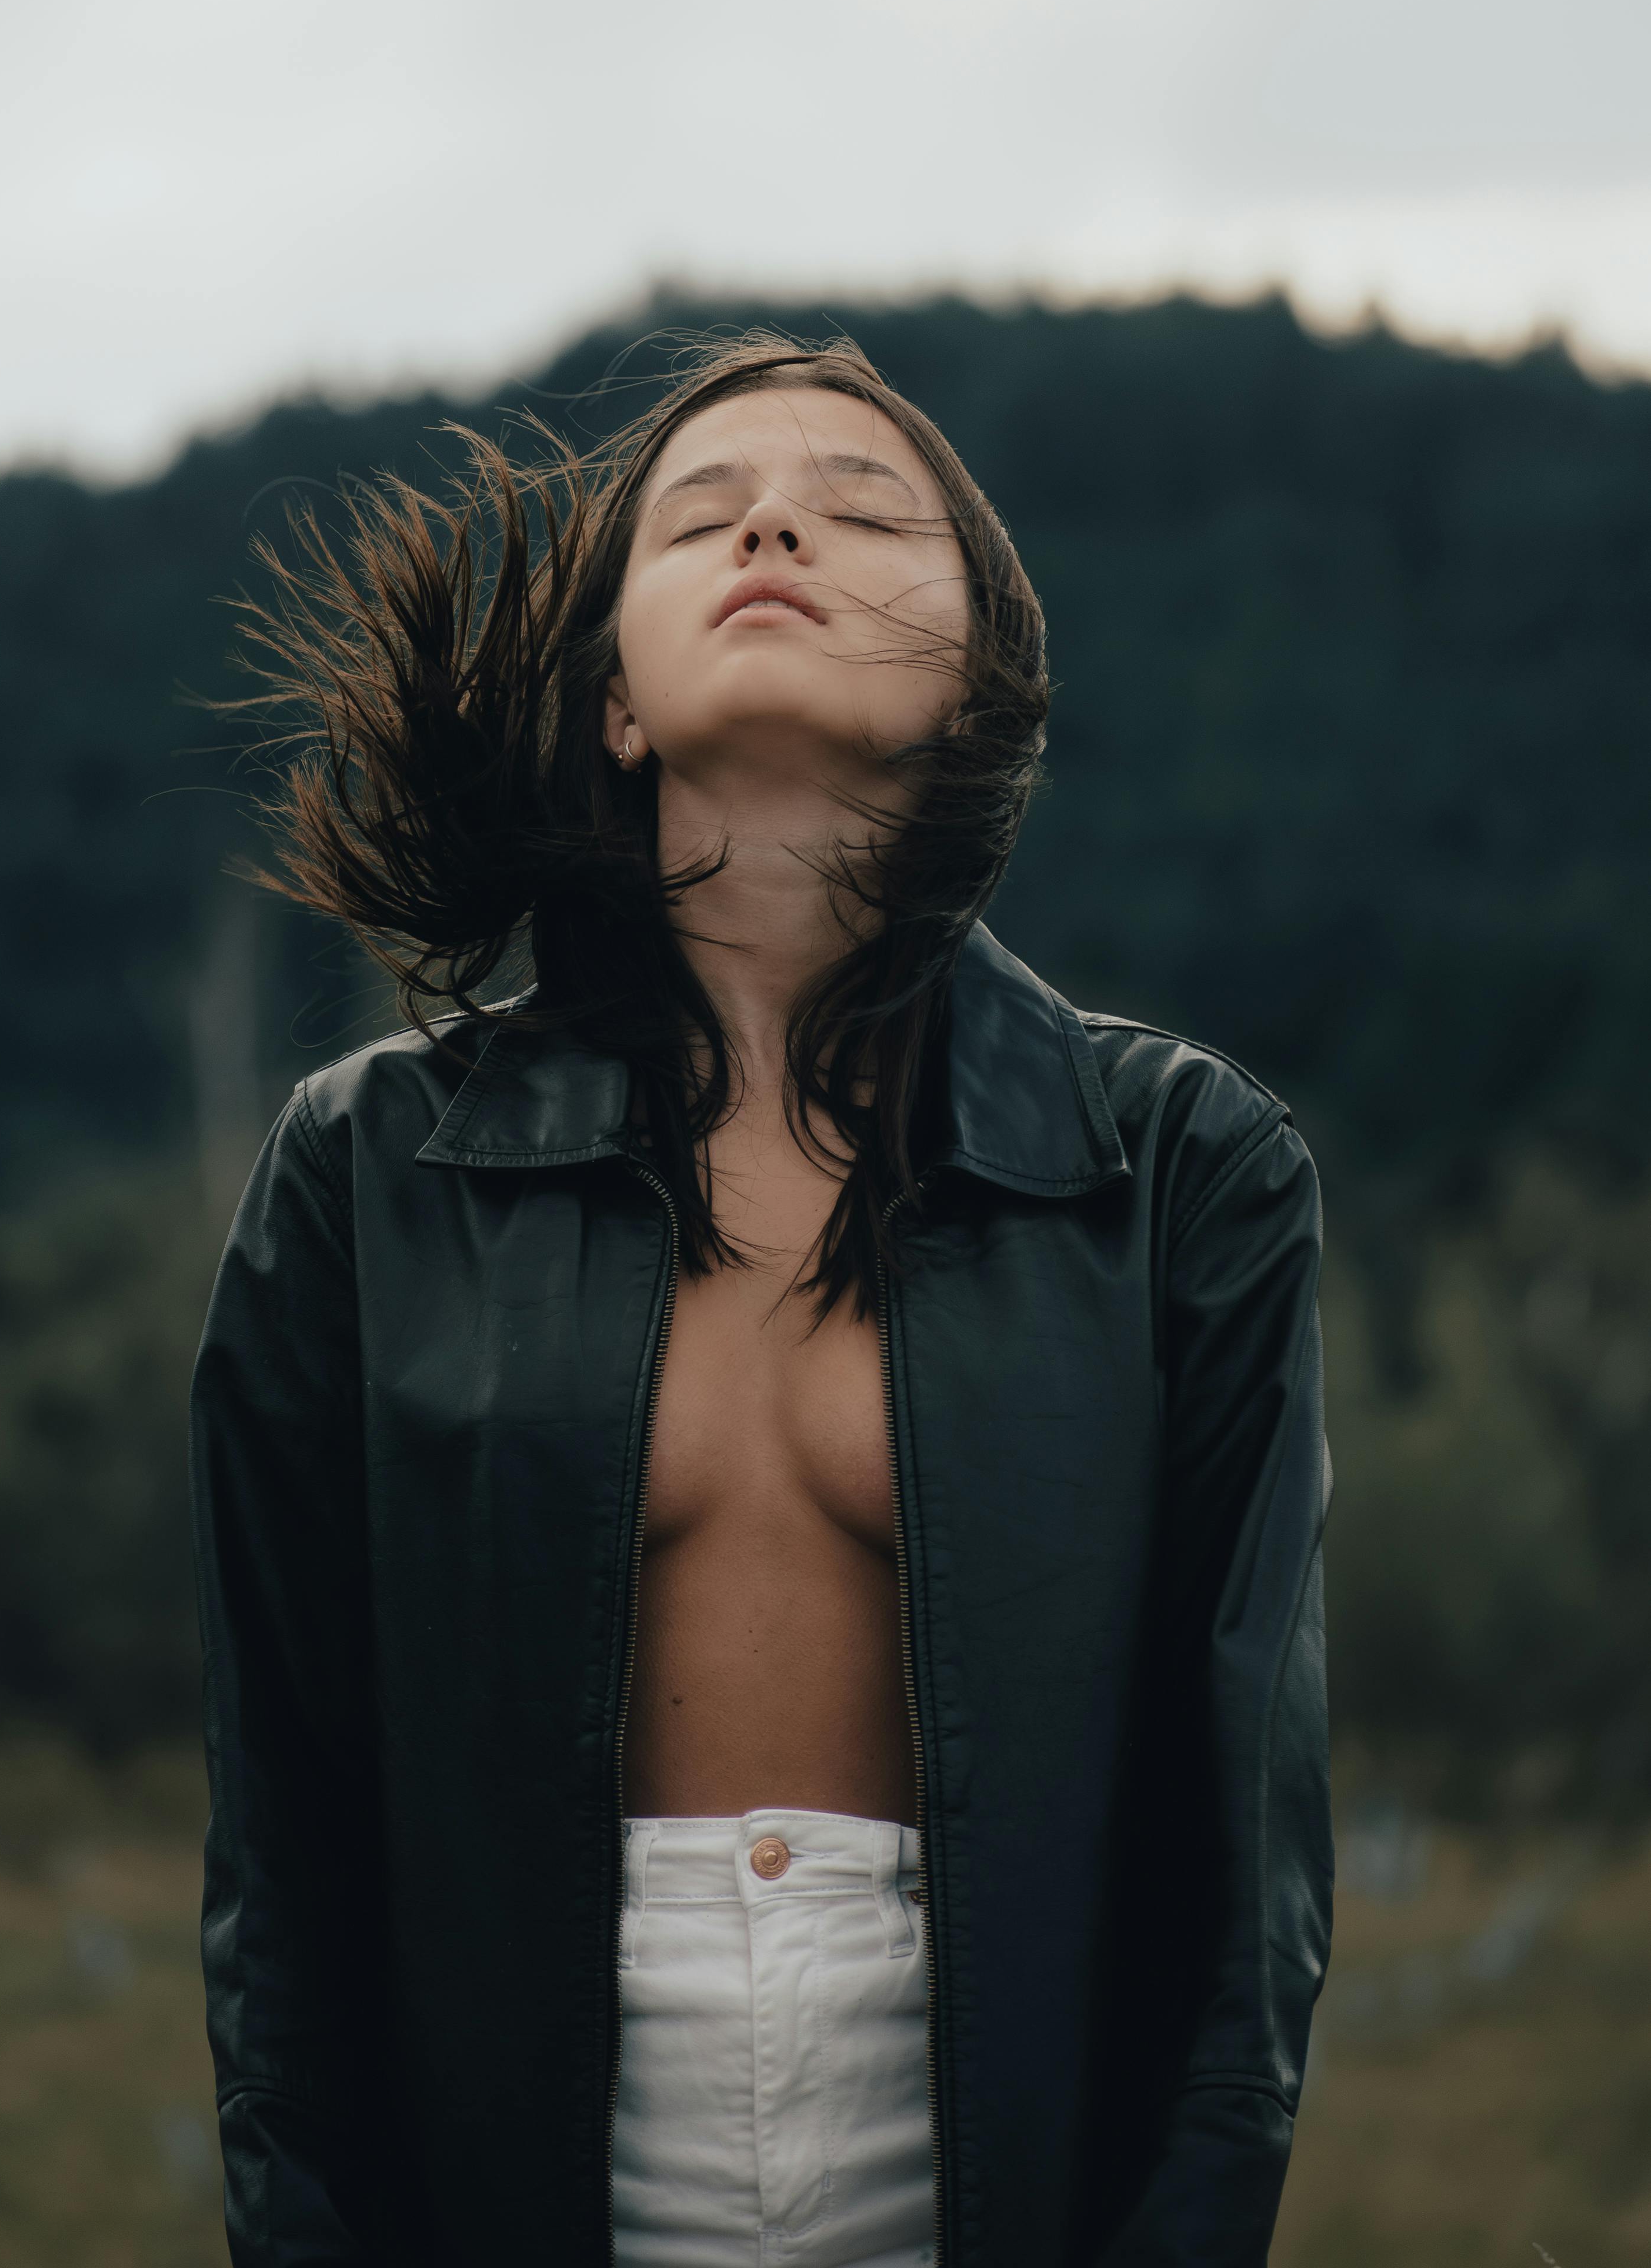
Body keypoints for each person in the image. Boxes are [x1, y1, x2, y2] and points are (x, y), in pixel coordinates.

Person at [190, 334, 1332, 2268]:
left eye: (862, 512)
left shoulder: (1186, 1175)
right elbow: (281, 1875)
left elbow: (1249, 1891)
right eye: (703, 517)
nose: (776, 526)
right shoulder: (364, 1178)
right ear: (617, 702)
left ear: (974, 678)